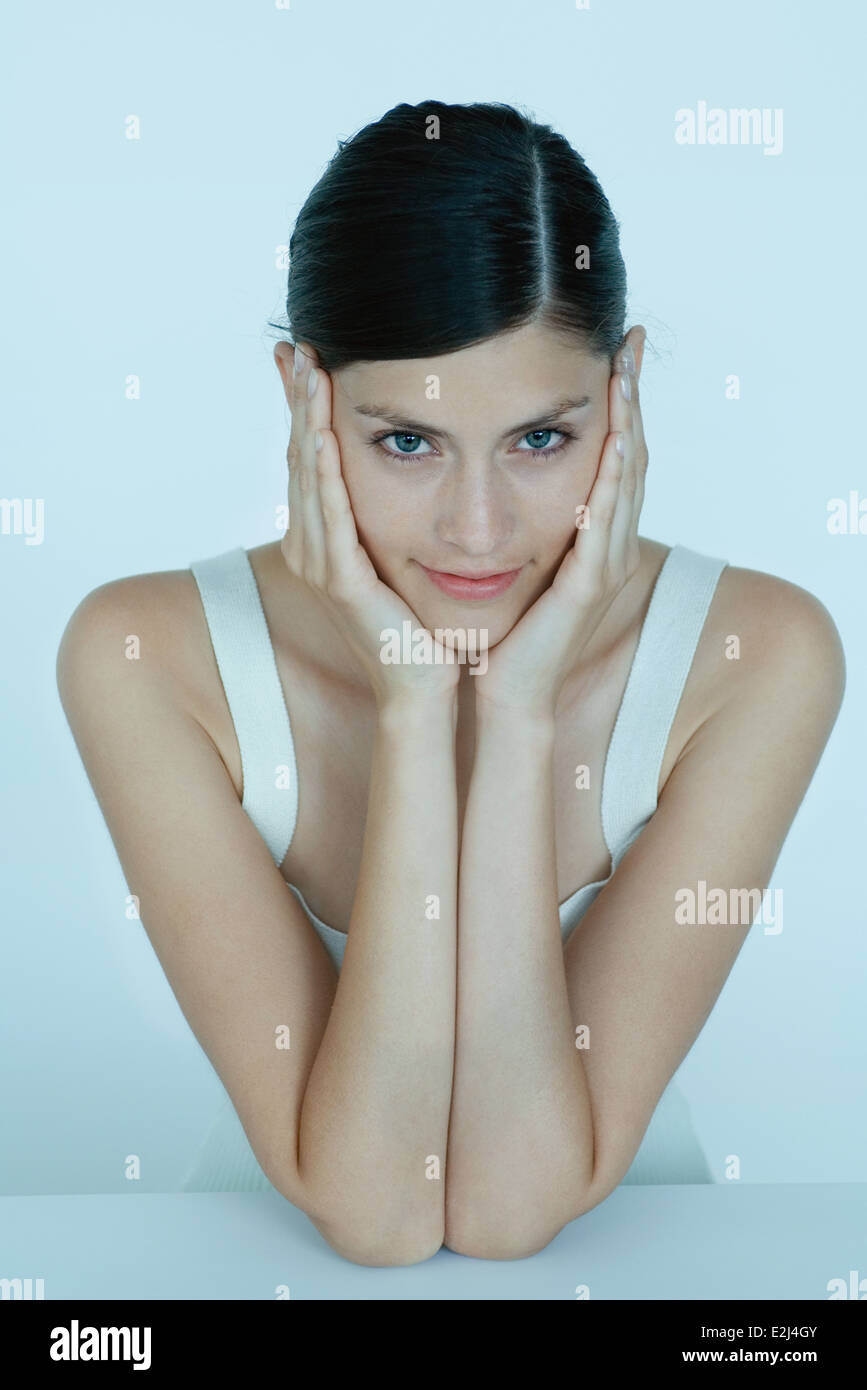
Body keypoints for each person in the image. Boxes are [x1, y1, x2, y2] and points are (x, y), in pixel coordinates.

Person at [56, 100, 845, 1267]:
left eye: (541, 440)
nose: (478, 532)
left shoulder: (760, 658)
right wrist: (414, 703)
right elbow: (376, 1214)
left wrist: (518, 716)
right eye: (407, 443)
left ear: (624, 393)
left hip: (655, 1272)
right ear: (302, 396)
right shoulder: (148, 659)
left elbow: (508, 1207)